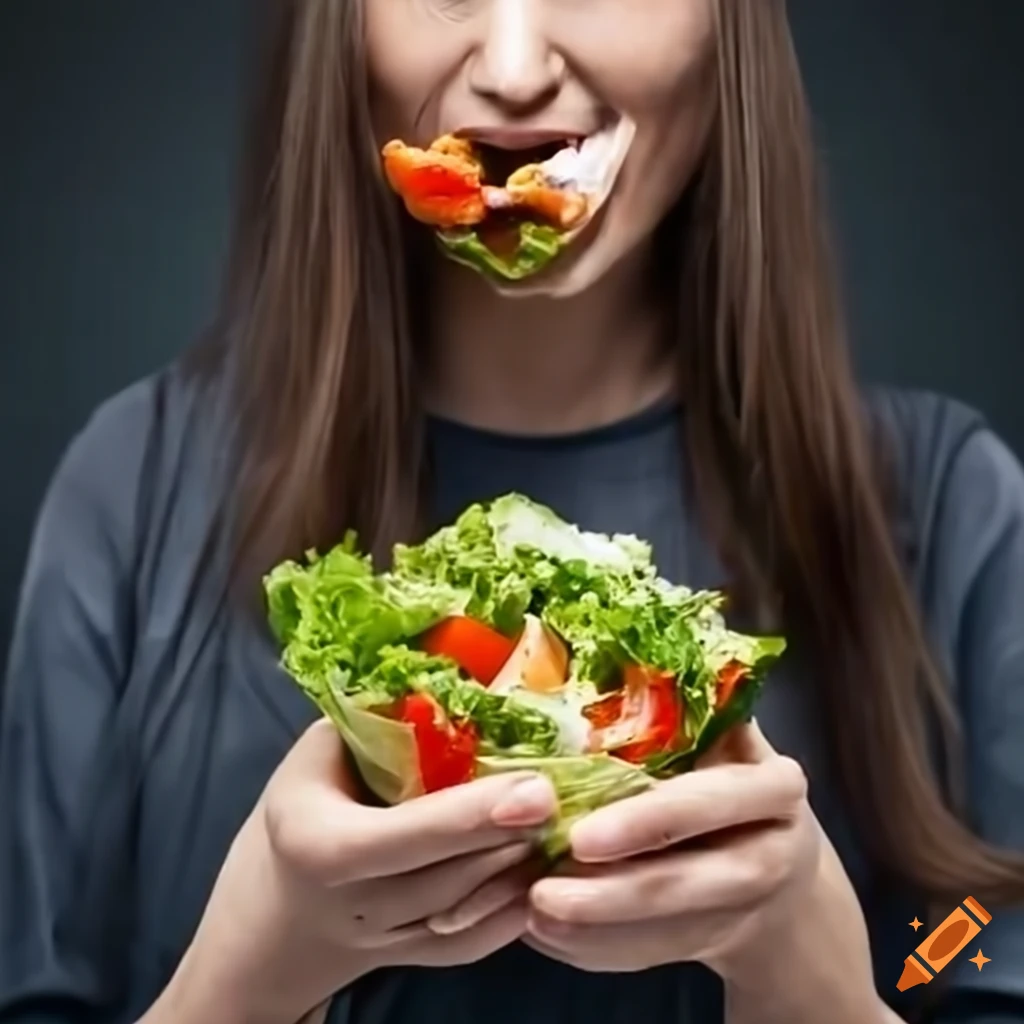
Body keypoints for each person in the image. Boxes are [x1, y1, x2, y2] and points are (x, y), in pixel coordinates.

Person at [1, 1, 1022, 1022]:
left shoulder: (949, 511)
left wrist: (817, 985)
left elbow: (976, 941)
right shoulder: (134, 491)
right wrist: (245, 980)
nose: (514, 66)